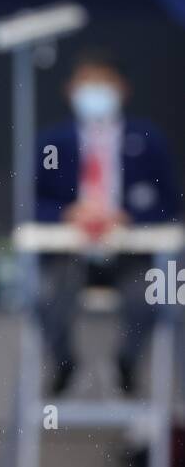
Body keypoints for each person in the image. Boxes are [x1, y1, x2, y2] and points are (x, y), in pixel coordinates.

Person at [34, 51, 181, 397]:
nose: (95, 92)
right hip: (72, 253)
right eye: (88, 84)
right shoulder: (51, 143)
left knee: (152, 292)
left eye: (104, 84)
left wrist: (129, 216)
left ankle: (126, 364)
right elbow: (31, 203)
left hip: (129, 253)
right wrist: (67, 213)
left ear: (122, 90)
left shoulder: (149, 141)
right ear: (70, 90)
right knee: (48, 292)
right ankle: (65, 362)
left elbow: (171, 204)